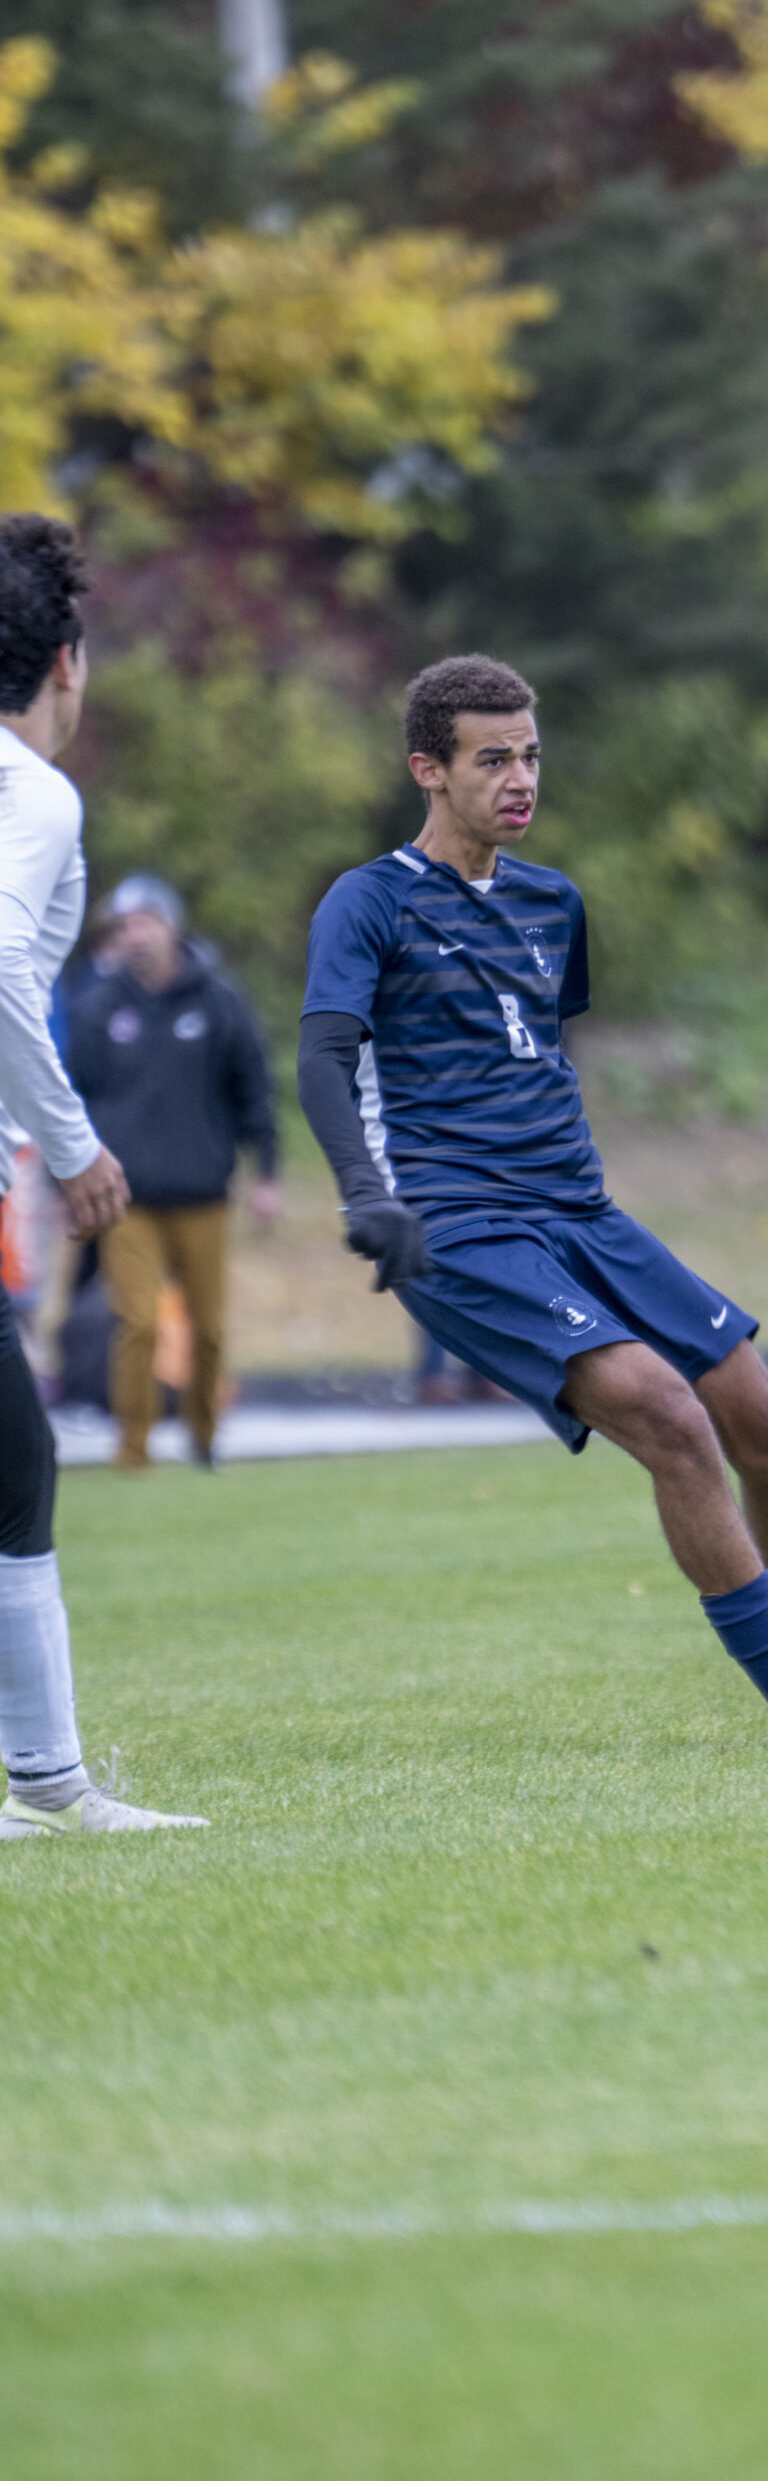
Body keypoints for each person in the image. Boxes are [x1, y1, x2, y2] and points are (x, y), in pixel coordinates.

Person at [297, 652, 768, 1747]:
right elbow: (322, 1054)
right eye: (491, 758)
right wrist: (367, 1191)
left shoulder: (554, 903)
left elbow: (533, 1051)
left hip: (582, 1214)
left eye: (531, 755)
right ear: (427, 770)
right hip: (457, 1227)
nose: (520, 778)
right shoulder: (368, 904)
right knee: (671, 1419)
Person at [0, 512, 205, 1837]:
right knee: (17, 1466)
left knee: (15, 1459)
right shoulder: (35, 793)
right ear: (68, 663)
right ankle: (52, 1782)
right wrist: (74, 1151)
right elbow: (2, 970)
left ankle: (46, 1781)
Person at [68, 873, 278, 1469]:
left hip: (202, 1192)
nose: (134, 936)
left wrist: (266, 1172)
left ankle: (204, 1437)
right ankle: (133, 1449)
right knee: (135, 1322)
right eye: (124, 926)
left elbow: (253, 1089)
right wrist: (70, 1176)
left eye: (144, 923)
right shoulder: (100, 1005)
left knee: (207, 1328)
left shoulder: (217, 999)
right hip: (125, 1195)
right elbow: (70, 1094)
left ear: (170, 926)